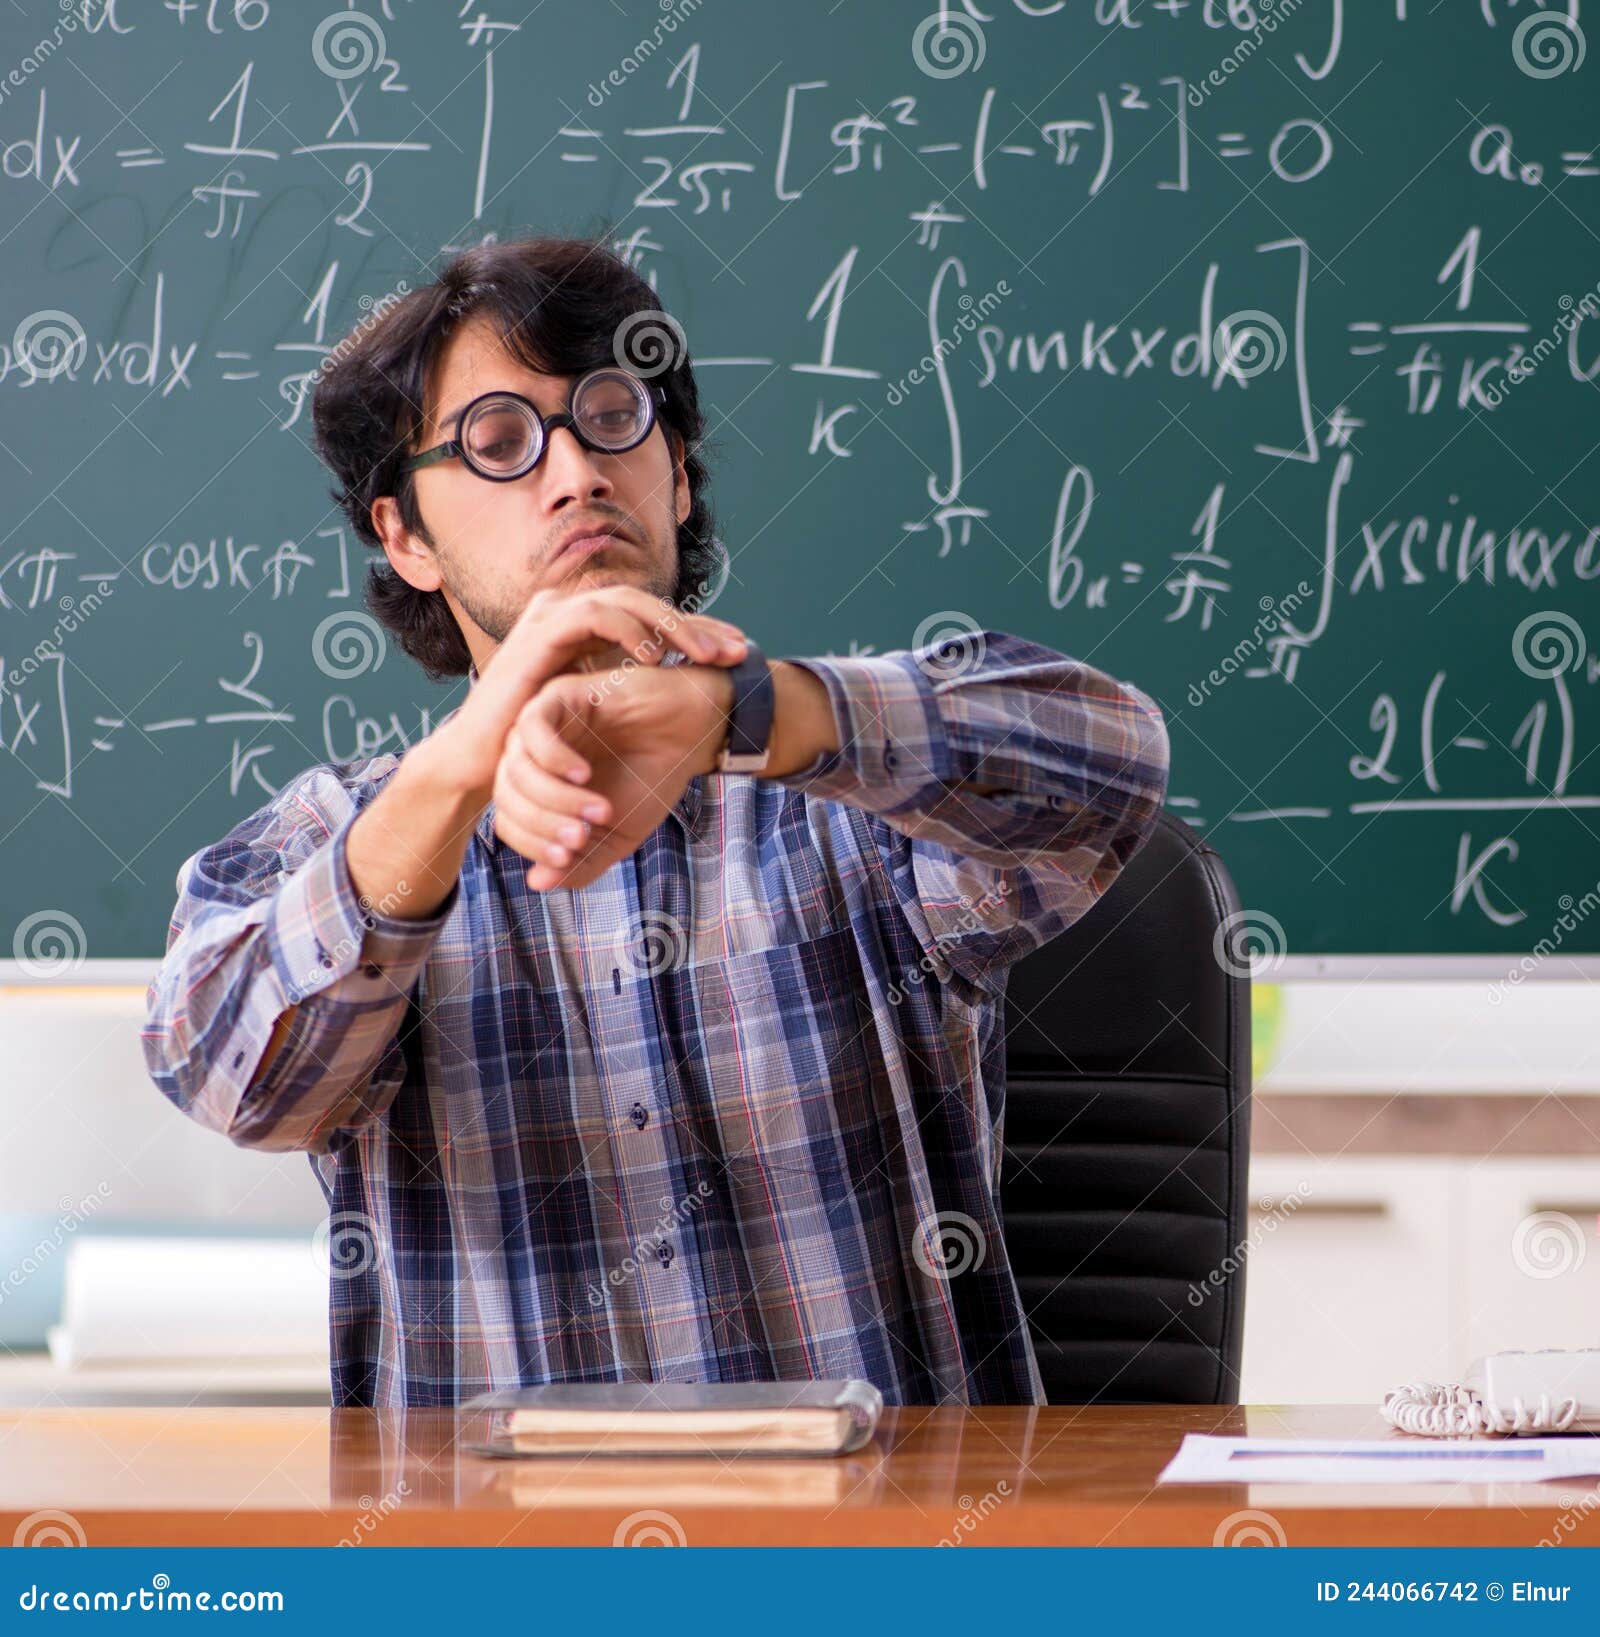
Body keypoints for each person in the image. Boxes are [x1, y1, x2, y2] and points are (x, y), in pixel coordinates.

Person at [142, 234, 1170, 1408]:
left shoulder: (842, 797)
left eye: (613, 415)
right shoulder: (337, 834)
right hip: (506, 1585)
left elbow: (1114, 766)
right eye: (496, 441)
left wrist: (744, 710)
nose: (575, 470)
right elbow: (233, 1078)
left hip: (879, 1574)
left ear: (675, 478)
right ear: (407, 538)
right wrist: (461, 765)